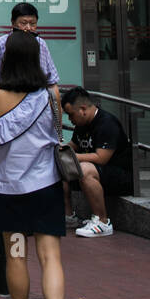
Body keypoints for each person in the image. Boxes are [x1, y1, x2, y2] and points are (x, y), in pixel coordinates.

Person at [0, 30, 68, 299]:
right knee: (51, 258)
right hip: (45, 187)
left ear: (6, 60)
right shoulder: (52, 96)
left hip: (9, 190)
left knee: (16, 255)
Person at [61, 88, 132, 237]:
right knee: (59, 167)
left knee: (84, 169)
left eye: (71, 115)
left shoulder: (107, 123)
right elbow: (71, 147)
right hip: (97, 173)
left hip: (120, 176)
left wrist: (73, 157)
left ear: (83, 109)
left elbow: (101, 158)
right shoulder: (81, 125)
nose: (70, 120)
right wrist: (57, 151)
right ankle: (69, 217)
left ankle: (102, 222)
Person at [0, 3, 59, 103]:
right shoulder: (0, 45)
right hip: (6, 105)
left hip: (36, 107)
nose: (28, 28)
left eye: (33, 24)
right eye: (23, 23)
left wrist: (55, 110)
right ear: (13, 22)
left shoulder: (41, 44)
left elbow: (52, 82)